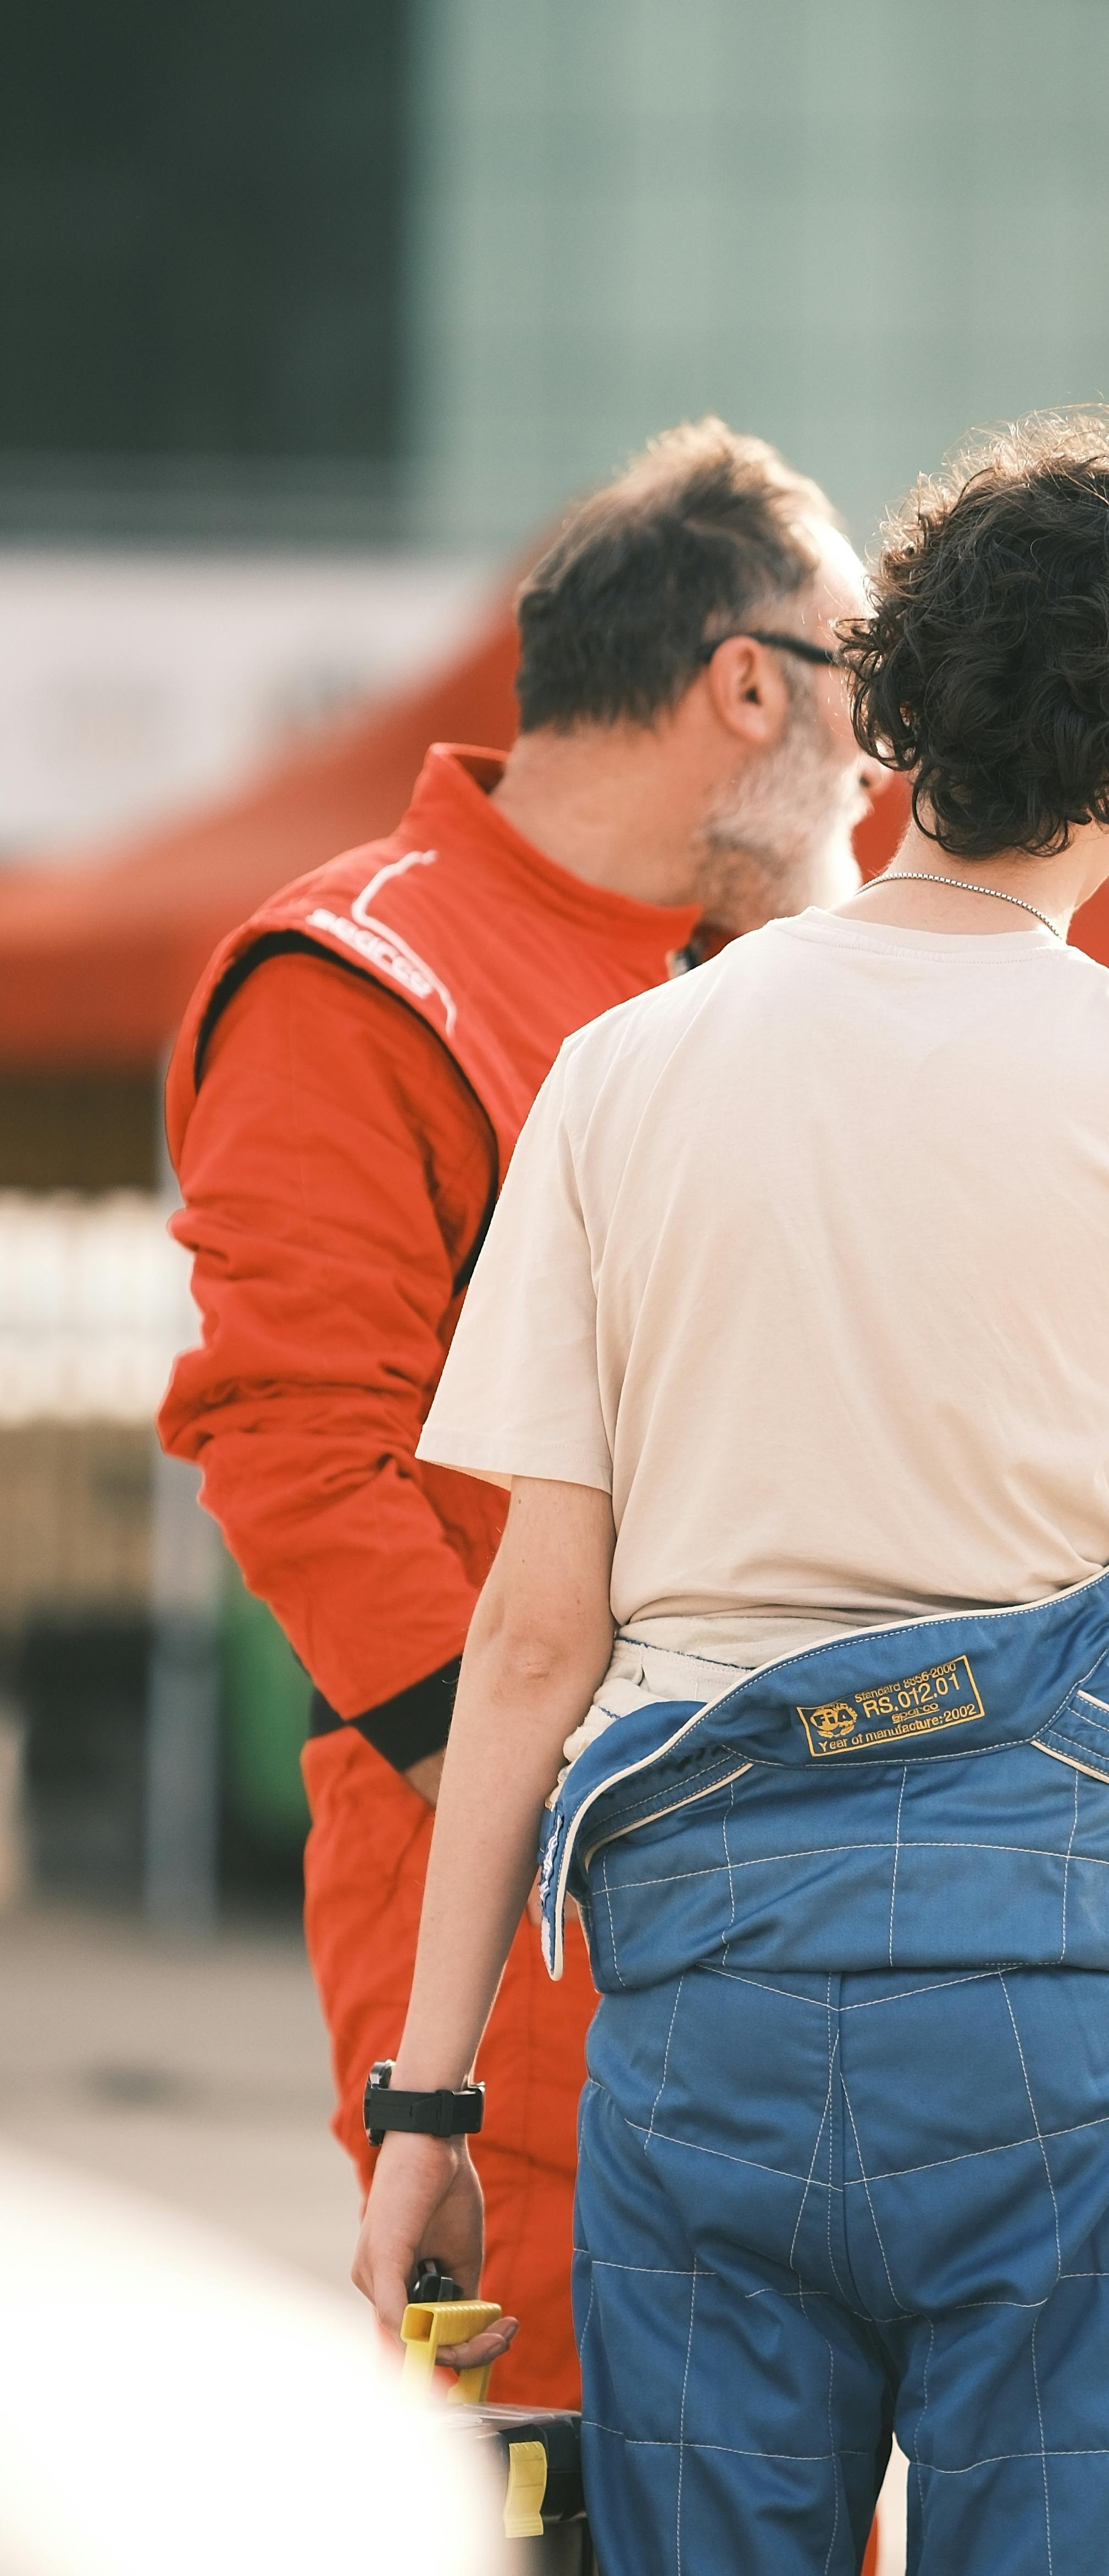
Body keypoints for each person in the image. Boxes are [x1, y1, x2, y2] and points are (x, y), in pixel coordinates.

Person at [349, 414, 1109, 2576]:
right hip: (1066, 2000)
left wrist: (427, 2113)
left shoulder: (630, 1071)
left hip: (709, 1990)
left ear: (888, 712)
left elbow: (529, 1637)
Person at [160, 419, 875, 2407]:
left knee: (784, 2510)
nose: (884, 761)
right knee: (582, 2495)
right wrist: (556, 1824)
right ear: (753, 686)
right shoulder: (365, 975)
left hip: (780, 1894)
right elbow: (298, 1457)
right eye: (871, 688)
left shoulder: (753, 980)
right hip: (532, 1932)